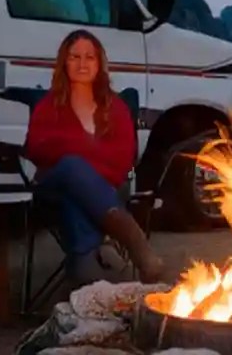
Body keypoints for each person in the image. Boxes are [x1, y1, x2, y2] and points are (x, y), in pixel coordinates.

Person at [23, 29, 165, 285]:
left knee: (76, 192)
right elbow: (36, 148)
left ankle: (87, 270)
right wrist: (84, 158)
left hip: (103, 190)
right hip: (54, 187)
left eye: (89, 57)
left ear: (99, 64)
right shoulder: (50, 104)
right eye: (74, 56)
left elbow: (124, 158)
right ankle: (133, 240)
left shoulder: (115, 107)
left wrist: (73, 152)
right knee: (72, 168)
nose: (82, 63)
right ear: (64, 63)